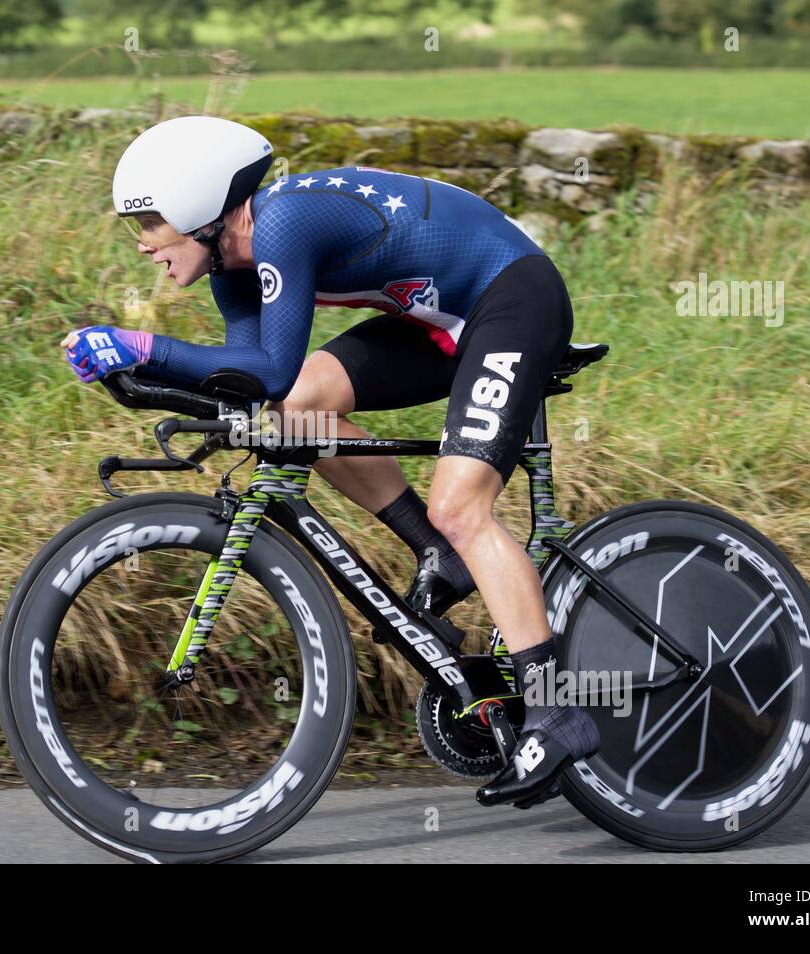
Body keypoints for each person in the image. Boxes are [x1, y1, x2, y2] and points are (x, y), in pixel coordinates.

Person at [65, 115, 598, 805]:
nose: (141, 245)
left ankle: (556, 710)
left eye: (148, 223)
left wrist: (142, 347)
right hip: (437, 321)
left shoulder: (284, 224)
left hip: (511, 298)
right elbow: (261, 381)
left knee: (462, 505)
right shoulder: (231, 264)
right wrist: (145, 379)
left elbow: (269, 363)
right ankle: (439, 552)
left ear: (199, 207)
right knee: (297, 414)